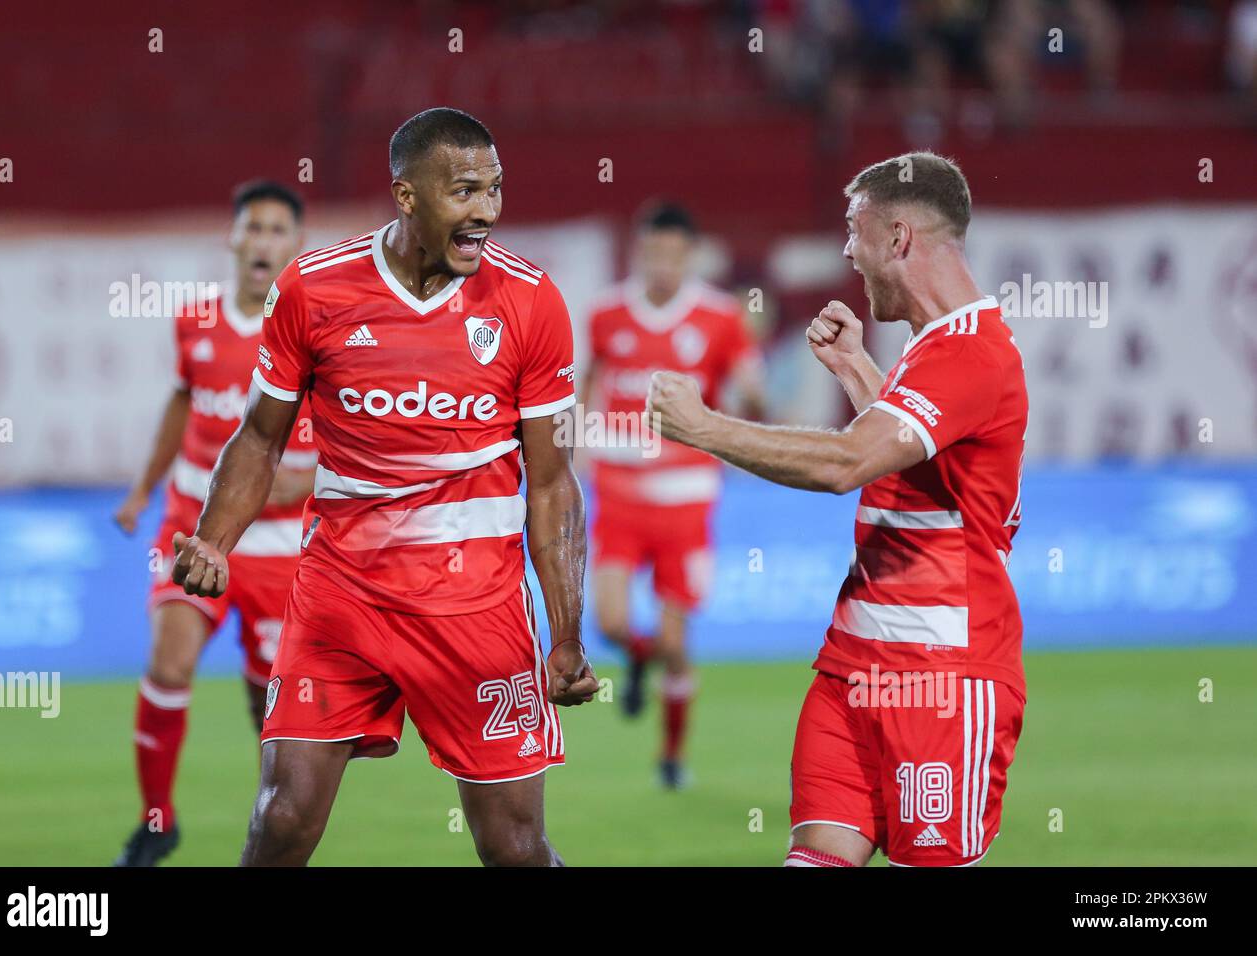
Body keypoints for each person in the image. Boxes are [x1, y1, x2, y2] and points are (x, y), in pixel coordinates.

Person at [172, 107, 599, 866]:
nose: (487, 212)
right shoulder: (313, 289)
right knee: (280, 819)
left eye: (496, 190)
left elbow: (553, 485)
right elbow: (260, 438)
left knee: (514, 846)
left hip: (478, 610)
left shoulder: (532, 301)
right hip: (343, 597)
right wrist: (214, 539)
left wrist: (565, 632)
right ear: (407, 198)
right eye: (466, 192)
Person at [646, 152, 1027, 866]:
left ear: (899, 238)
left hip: (942, 679)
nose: (848, 251)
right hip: (851, 669)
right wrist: (860, 374)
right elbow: (917, 470)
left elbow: (848, 463)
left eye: (857, 232)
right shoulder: (932, 349)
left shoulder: (974, 353)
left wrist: (702, 427)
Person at [113, 180, 315, 866]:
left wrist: (311, 480)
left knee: (271, 712)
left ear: (295, 246)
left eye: (275, 230)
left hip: (282, 543)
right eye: (251, 228)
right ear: (232, 238)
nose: (262, 242)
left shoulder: (314, 334)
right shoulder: (195, 322)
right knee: (168, 661)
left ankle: (269, 834)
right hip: (190, 526)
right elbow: (180, 404)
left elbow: (356, 439)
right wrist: (142, 491)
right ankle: (156, 820)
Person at [580, 203, 764, 788]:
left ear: (690, 254)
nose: (660, 263)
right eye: (651, 252)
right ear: (639, 252)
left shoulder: (721, 316)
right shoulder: (606, 313)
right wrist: (584, 439)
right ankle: (634, 658)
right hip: (620, 489)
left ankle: (671, 755)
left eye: (672, 253)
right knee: (607, 622)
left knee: (676, 643)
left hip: (687, 494)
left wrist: (752, 412)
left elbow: (749, 388)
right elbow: (590, 379)